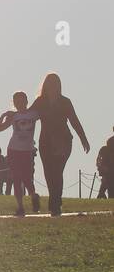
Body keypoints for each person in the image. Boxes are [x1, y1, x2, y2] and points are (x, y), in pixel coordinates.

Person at [29, 72, 90, 216]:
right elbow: (28, 116)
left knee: (57, 171)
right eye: (50, 83)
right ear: (45, 85)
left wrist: (83, 138)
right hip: (45, 142)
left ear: (59, 85)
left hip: (63, 140)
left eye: (55, 83)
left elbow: (74, 120)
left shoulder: (65, 102)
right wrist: (14, 115)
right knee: (49, 173)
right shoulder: (40, 101)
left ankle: (55, 203)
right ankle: (56, 200)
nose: (52, 86)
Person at [0, 91, 41, 216]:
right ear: (14, 103)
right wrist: (3, 116)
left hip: (27, 150)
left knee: (26, 176)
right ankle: (20, 206)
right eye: (17, 101)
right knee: (16, 178)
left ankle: (33, 195)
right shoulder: (13, 116)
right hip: (14, 150)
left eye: (22, 101)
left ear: (26, 101)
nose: (20, 104)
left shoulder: (34, 114)